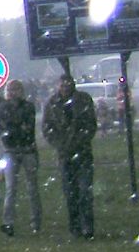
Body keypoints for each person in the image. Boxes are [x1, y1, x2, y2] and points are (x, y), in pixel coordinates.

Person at [41, 76, 97, 239]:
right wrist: (61, 143)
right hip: (64, 154)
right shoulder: (52, 103)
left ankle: (87, 227)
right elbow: (47, 127)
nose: (65, 87)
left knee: (85, 191)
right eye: (62, 85)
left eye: (68, 84)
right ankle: (75, 226)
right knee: (70, 192)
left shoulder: (83, 100)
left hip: (83, 152)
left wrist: (79, 140)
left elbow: (90, 124)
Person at [0, 80, 42, 236]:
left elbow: (28, 129)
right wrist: (18, 128)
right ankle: (8, 222)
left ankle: (36, 221)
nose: (13, 92)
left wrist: (14, 128)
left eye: (16, 89)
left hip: (26, 149)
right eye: (10, 89)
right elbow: (3, 130)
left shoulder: (28, 107)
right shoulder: (3, 107)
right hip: (11, 150)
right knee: (11, 189)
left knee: (32, 188)